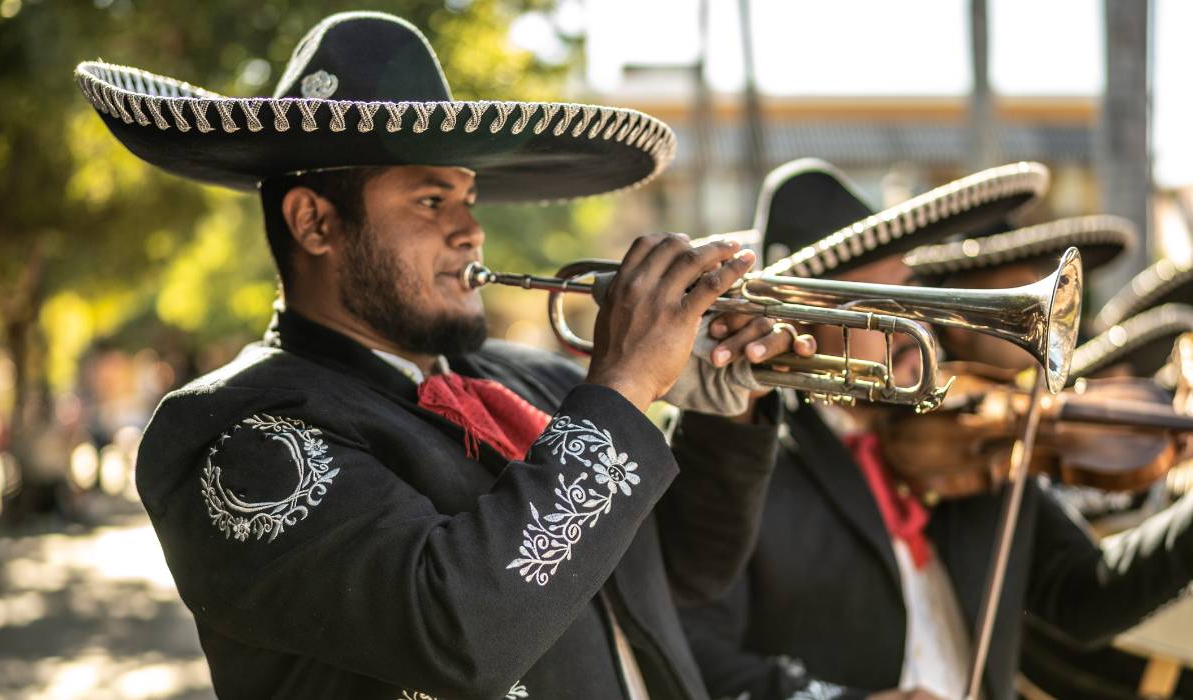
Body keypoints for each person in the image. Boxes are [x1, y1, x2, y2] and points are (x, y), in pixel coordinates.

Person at [77, 12, 808, 699]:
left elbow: (682, 572)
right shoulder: (237, 432)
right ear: (315, 223)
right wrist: (622, 387)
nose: (471, 232)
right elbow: (459, 631)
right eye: (432, 202)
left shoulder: (541, 381)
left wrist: (727, 414)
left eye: (469, 198)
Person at [680, 159, 1193, 700]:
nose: (910, 322)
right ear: (798, 322)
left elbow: (1088, 600)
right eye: (871, 305)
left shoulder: (971, 432)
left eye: (911, 294)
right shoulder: (742, 457)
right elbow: (697, 653)